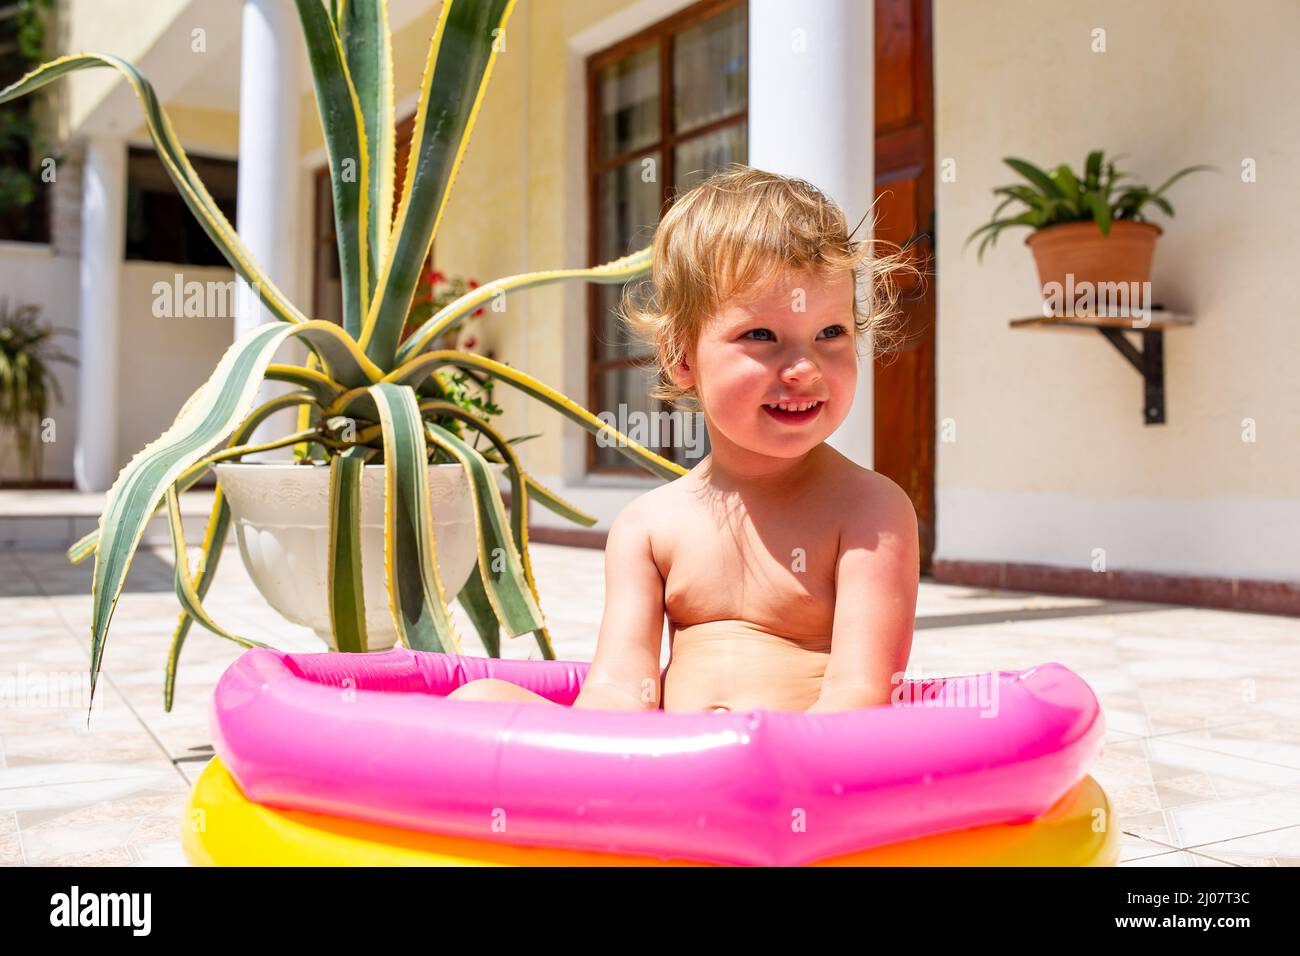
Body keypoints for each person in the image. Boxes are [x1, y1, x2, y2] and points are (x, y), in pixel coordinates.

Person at [446, 164, 921, 714]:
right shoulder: (649, 528)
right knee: (476, 698)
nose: (804, 368)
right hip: (666, 756)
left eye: (830, 333)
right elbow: (620, 688)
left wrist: (755, 751)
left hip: (794, 758)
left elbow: (860, 694)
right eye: (761, 335)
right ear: (681, 356)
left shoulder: (869, 513)